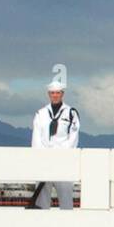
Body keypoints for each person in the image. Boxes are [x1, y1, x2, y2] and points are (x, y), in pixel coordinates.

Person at [30, 79, 79, 209]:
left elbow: (73, 138)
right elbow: (36, 138)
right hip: (43, 161)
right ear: (49, 94)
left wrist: (61, 155)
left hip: (63, 161)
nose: (55, 95)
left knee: (66, 199)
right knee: (42, 200)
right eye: (52, 93)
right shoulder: (40, 114)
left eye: (58, 93)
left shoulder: (71, 113)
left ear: (62, 94)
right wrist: (41, 157)